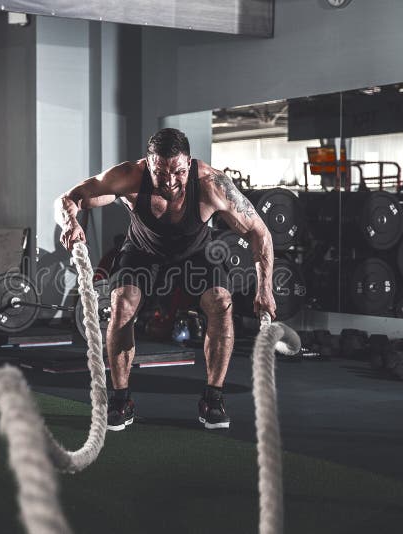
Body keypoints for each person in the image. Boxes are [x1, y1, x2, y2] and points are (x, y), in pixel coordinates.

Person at [56, 128, 275, 431]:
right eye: (161, 172)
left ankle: (213, 398)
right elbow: (70, 198)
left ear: (189, 163)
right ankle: (121, 399)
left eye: (179, 172)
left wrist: (265, 290)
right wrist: (70, 222)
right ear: (149, 164)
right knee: (121, 305)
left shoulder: (212, 184)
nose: (170, 181)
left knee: (222, 302)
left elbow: (259, 232)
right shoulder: (130, 177)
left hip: (196, 252)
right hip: (143, 251)